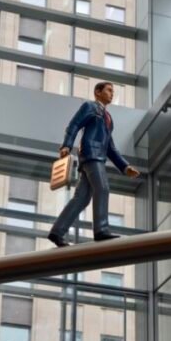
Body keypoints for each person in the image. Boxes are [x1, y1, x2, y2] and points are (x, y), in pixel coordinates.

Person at [48, 81, 140, 247]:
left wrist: (124, 166)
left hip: (98, 156)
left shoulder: (108, 117)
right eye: (109, 90)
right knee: (102, 188)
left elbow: (110, 147)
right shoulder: (90, 106)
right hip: (91, 154)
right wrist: (66, 145)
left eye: (113, 91)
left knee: (81, 198)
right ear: (97, 92)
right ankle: (101, 230)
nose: (112, 94)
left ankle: (57, 231)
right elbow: (74, 125)